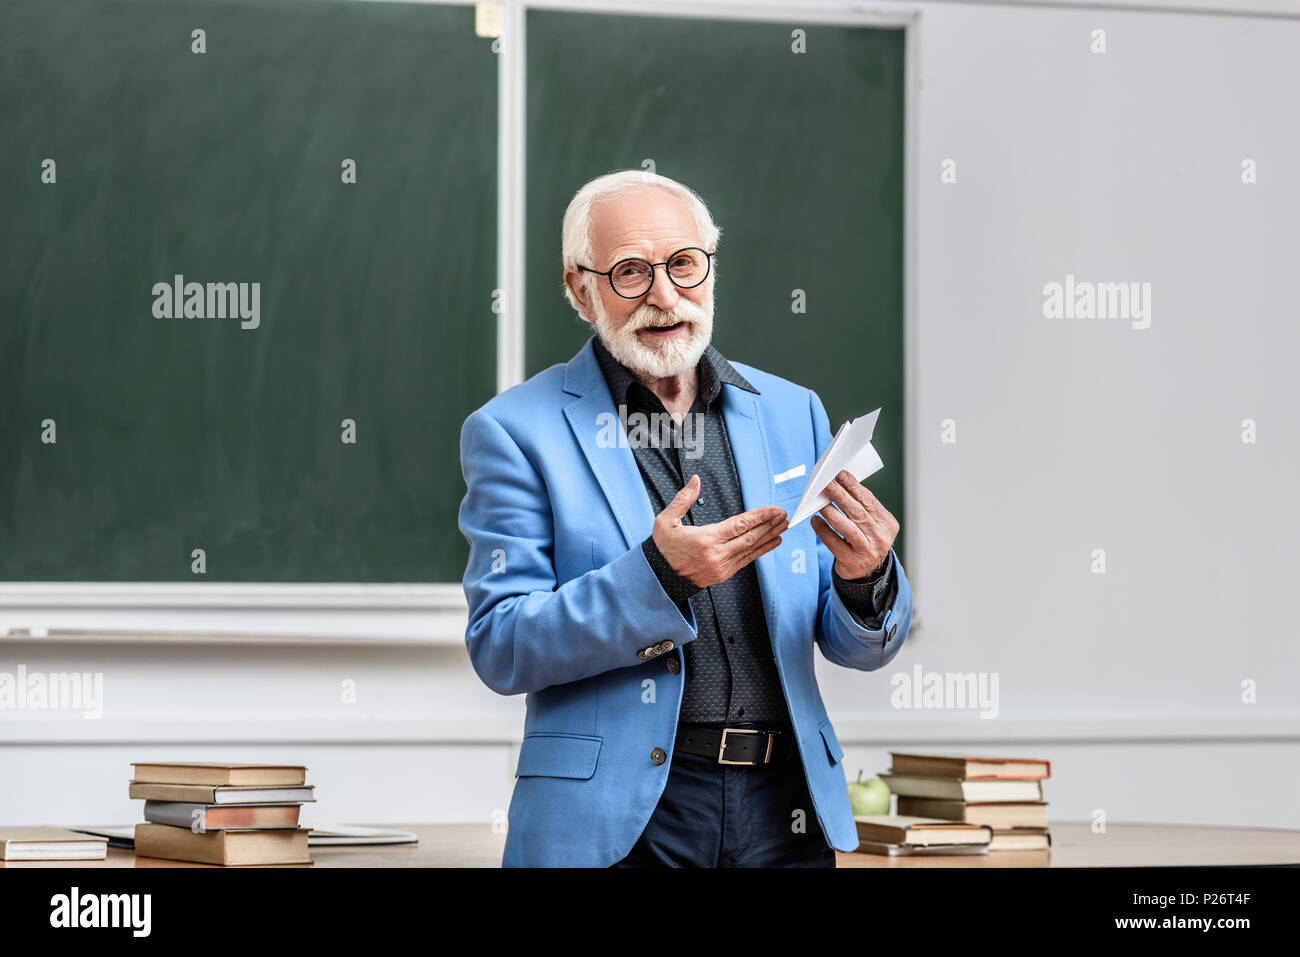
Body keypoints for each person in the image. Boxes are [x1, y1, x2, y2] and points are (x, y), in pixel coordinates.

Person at [458, 170, 912, 867]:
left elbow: (859, 645)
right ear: (582, 290)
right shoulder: (517, 431)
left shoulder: (794, 412)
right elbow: (503, 644)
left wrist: (866, 577)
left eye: (683, 264)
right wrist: (659, 578)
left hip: (785, 807)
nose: (665, 296)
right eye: (631, 273)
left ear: (710, 266)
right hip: (621, 821)